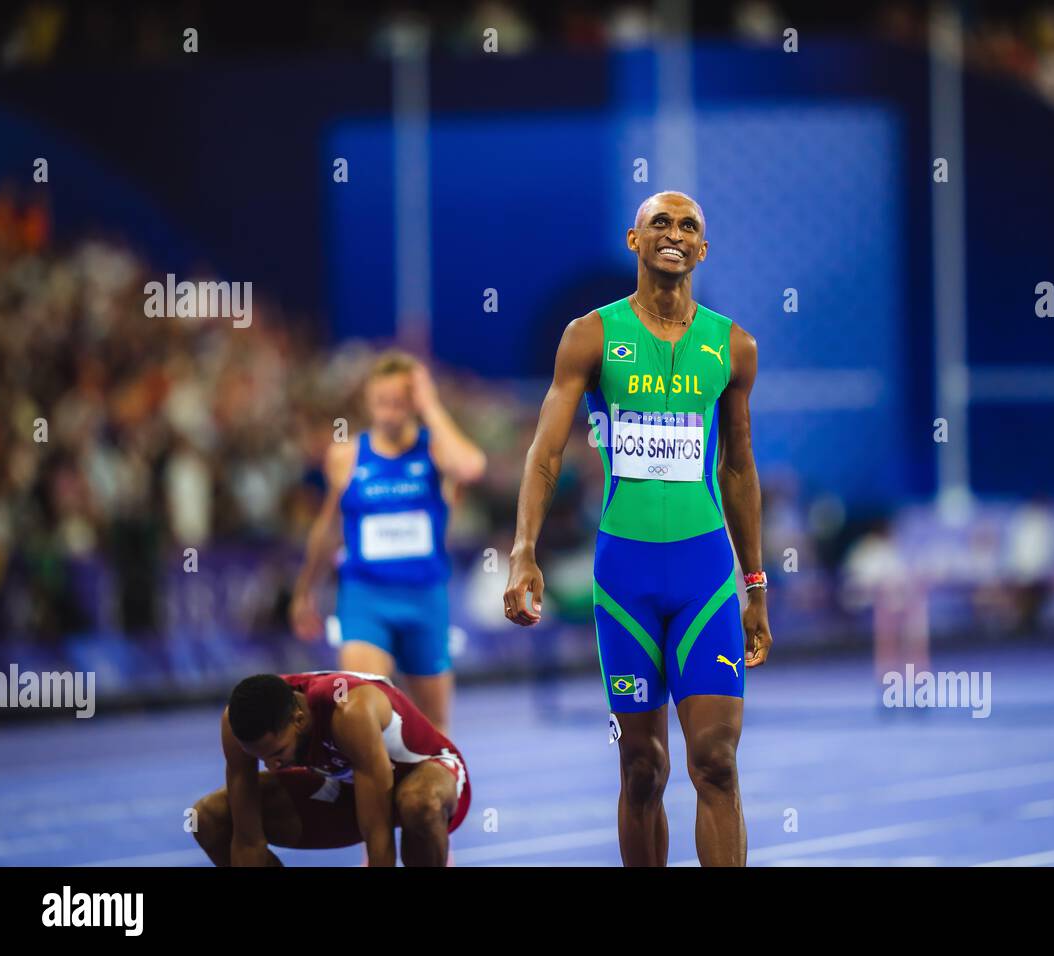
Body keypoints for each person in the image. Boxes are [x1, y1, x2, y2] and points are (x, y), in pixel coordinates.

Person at [503, 190, 773, 866]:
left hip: (705, 575)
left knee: (715, 761)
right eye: (661, 223)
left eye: (689, 226)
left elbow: (739, 470)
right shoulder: (590, 336)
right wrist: (523, 550)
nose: (675, 234)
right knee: (642, 768)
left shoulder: (733, 347)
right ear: (635, 240)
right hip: (625, 577)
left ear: (703, 249)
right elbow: (546, 452)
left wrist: (756, 584)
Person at [290, 352, 485, 734]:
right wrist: (304, 591)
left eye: (399, 402)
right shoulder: (347, 455)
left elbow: (471, 468)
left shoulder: (435, 450)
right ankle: (373, 791)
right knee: (361, 712)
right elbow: (327, 528)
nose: (389, 413)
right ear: (368, 401)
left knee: (434, 727)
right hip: (366, 598)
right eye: (381, 402)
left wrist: (430, 406)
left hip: (424, 599)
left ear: (413, 403)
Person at [191, 670, 470, 866]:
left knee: (418, 803)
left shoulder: (349, 713)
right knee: (209, 817)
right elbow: (248, 841)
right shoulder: (234, 724)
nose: (272, 766)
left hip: (425, 775)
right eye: (260, 757)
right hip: (347, 786)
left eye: (277, 753)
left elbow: (377, 838)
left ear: (299, 720)